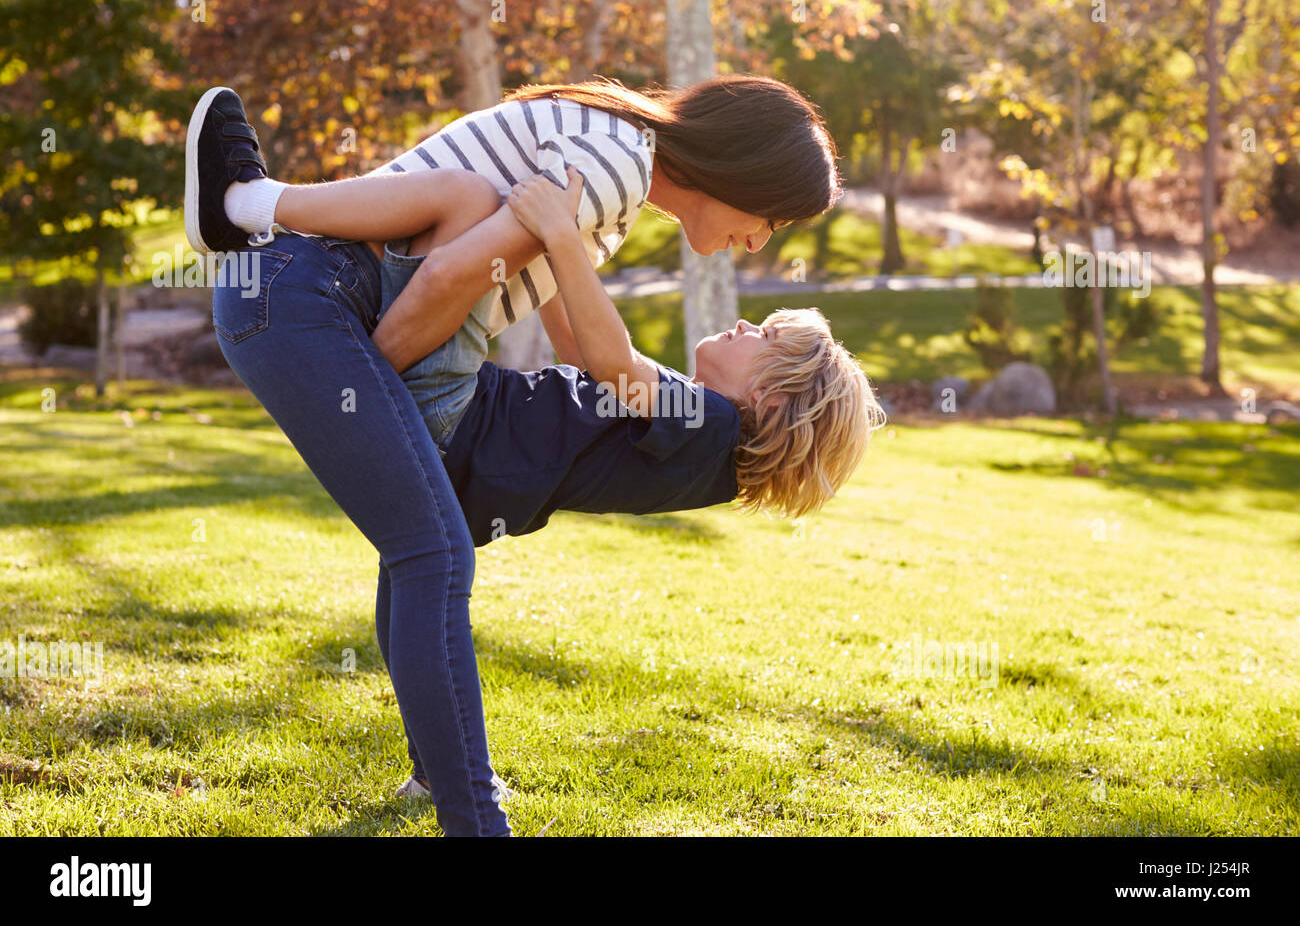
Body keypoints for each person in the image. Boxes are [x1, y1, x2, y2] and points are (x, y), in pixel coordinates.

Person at [188, 78, 882, 836]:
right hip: (459, 420)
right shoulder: (701, 414)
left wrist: (557, 243)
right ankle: (249, 202)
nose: (759, 247)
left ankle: (252, 200)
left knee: (463, 207)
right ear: (743, 171)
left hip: (462, 418)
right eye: (770, 218)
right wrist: (560, 252)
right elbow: (579, 350)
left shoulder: (710, 427)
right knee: (423, 560)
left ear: (774, 401)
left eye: (765, 340)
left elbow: (610, 363)